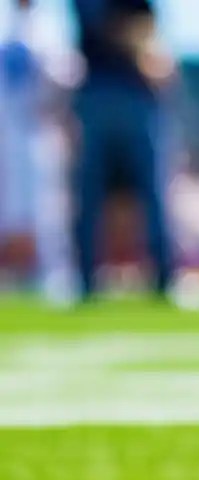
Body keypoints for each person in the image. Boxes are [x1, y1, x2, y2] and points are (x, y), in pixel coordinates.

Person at [69, 0, 176, 302]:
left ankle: (164, 277)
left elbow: (146, 25)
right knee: (91, 193)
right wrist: (138, 41)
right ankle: (86, 280)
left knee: (152, 191)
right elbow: (114, 27)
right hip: (104, 95)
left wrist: (151, 52)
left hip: (130, 94)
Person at [1, 0, 74, 304]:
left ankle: (53, 273)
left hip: (39, 133)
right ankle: (14, 273)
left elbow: (66, 77)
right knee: (9, 206)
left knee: (47, 206)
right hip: (8, 133)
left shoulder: (50, 30)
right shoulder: (7, 28)